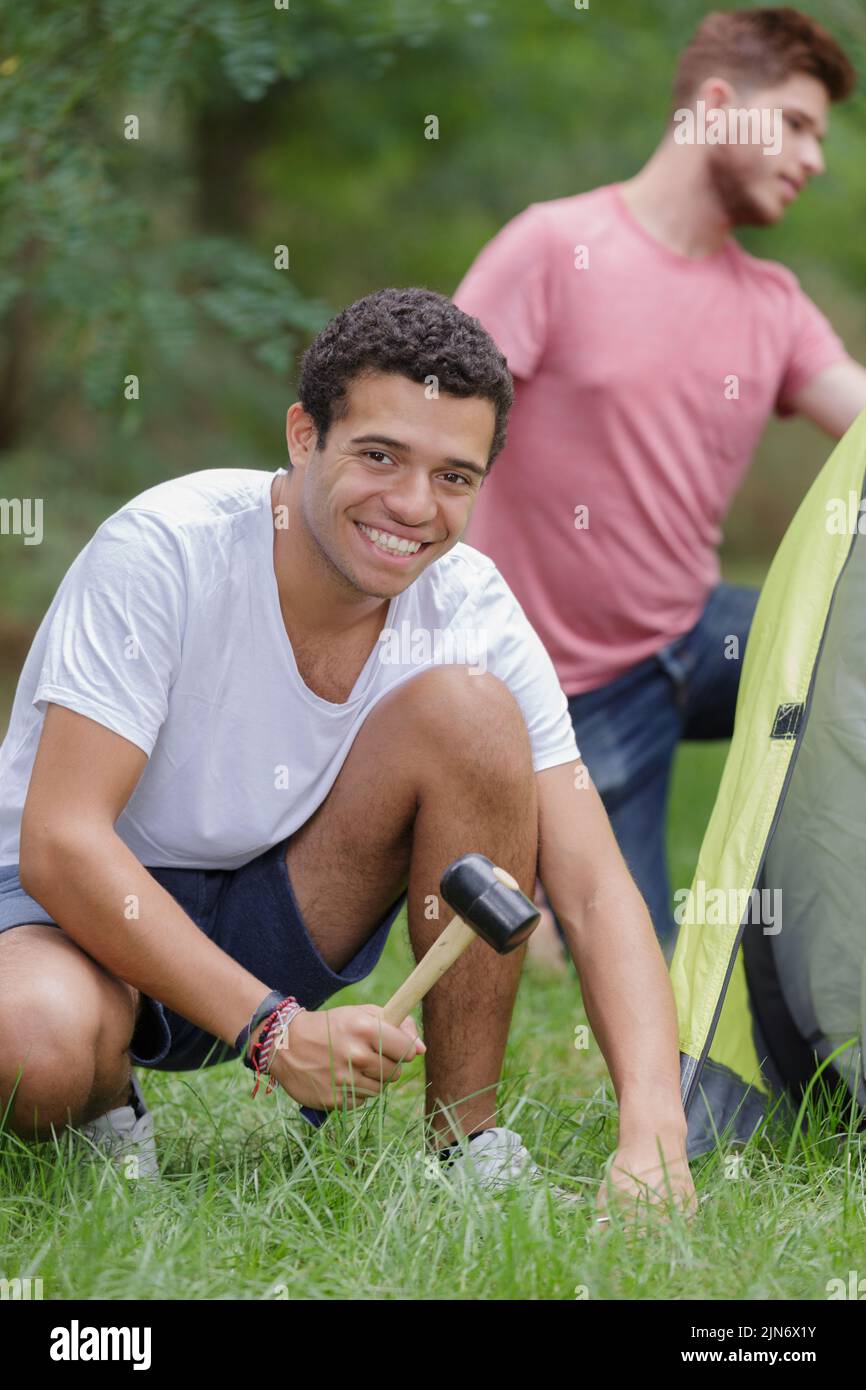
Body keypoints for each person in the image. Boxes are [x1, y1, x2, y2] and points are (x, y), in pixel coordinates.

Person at [0, 289, 694, 1217]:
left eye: (454, 477)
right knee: (33, 1042)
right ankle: (100, 1097)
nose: (412, 506)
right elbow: (61, 842)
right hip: (77, 914)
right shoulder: (166, 549)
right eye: (379, 455)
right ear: (302, 436)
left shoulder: (472, 607)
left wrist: (654, 1134)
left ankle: (468, 1146)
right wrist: (275, 1031)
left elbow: (597, 886)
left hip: (274, 901)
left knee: (475, 714)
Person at [452, 6, 866, 953]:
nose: (815, 158)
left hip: (698, 635)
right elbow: (429, 429)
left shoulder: (773, 303)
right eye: (797, 125)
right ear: (717, 105)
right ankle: (549, 878)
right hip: (570, 690)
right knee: (648, 978)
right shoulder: (553, 247)